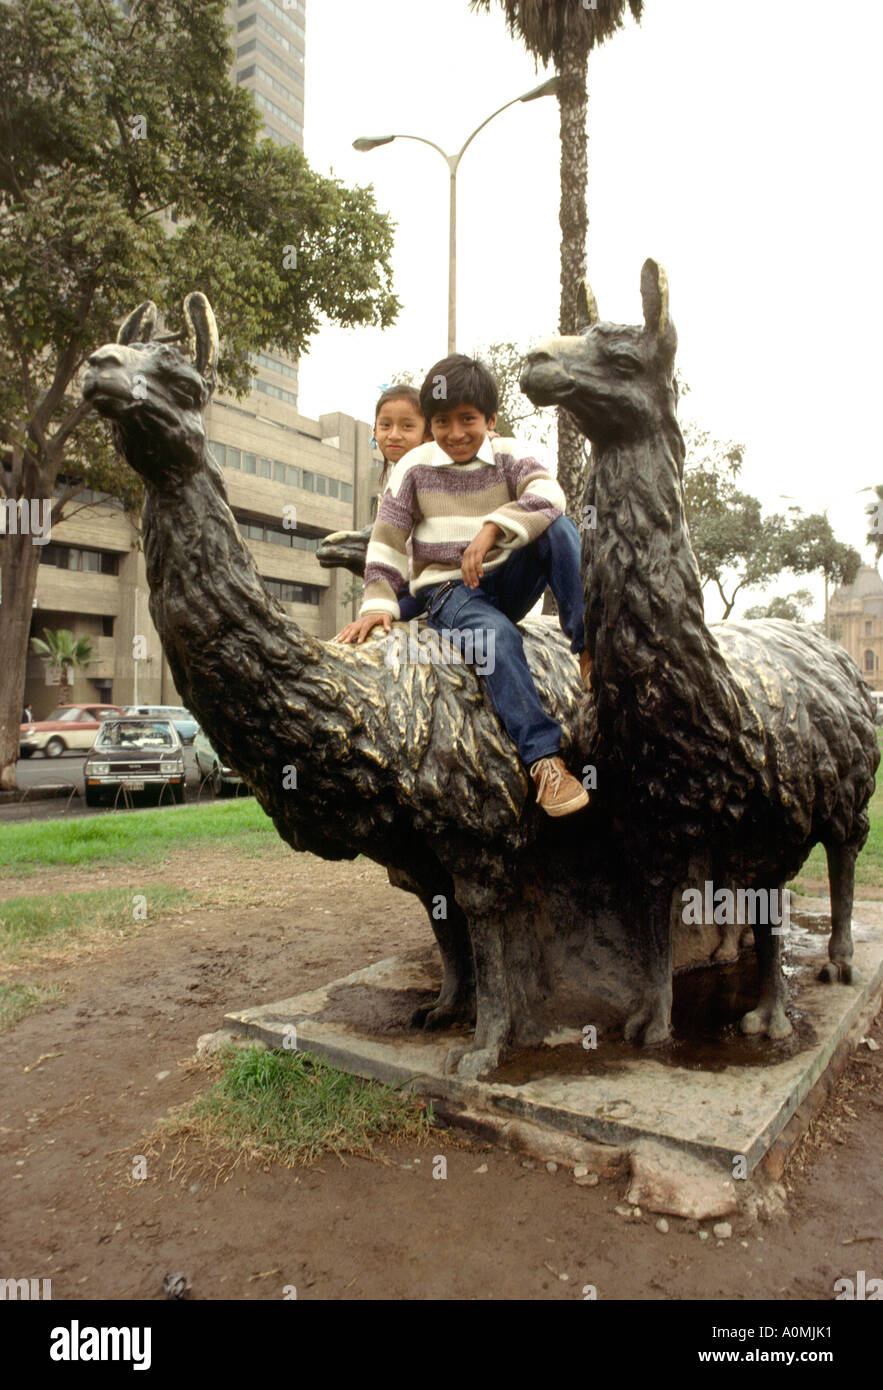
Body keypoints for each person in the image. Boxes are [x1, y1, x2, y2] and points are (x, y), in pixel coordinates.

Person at [336, 354, 592, 818]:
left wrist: (493, 529)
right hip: (452, 591)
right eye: (441, 421)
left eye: (468, 419)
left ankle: (588, 648)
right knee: (494, 638)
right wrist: (379, 605)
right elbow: (388, 542)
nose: (455, 433)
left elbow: (549, 495)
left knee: (560, 527)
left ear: (490, 419)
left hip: (506, 575)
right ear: (430, 423)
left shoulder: (509, 454)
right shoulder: (413, 467)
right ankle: (545, 762)